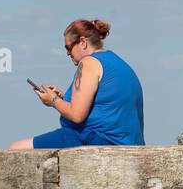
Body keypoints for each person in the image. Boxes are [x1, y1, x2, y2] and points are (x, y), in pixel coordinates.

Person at [9, 19, 144, 149]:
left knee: (15, 149)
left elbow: (77, 115)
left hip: (97, 140)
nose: (68, 53)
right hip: (127, 145)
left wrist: (53, 100)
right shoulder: (117, 63)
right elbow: (105, 107)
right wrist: (63, 100)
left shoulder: (88, 63)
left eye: (68, 47)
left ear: (83, 42)